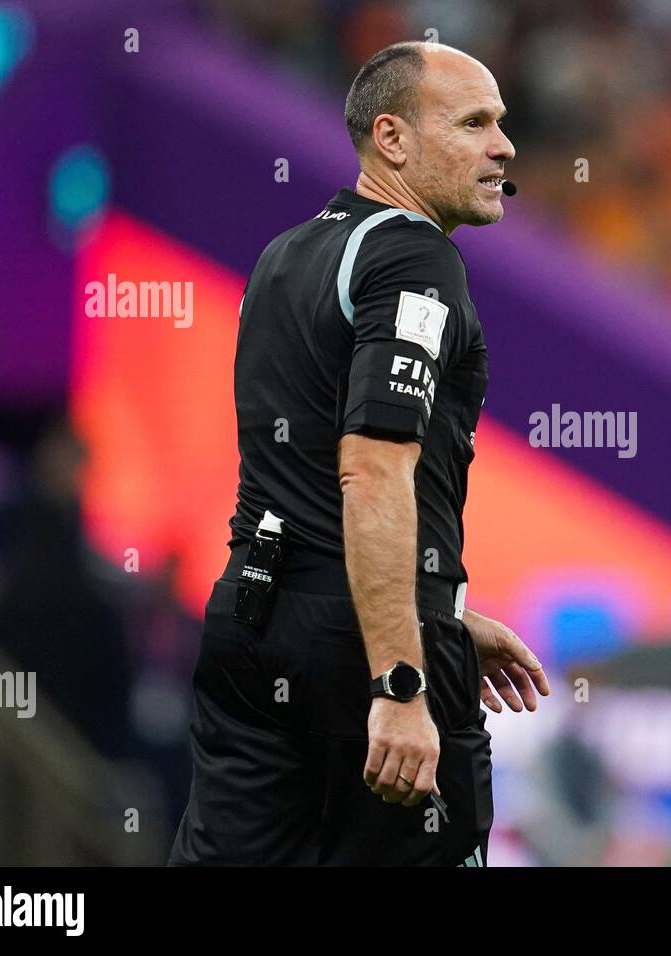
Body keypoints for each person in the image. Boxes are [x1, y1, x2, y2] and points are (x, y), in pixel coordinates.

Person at [169, 41, 549, 866]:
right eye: (475, 123)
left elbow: (295, 474)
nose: (504, 146)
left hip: (250, 623)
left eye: (503, 124)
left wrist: (436, 609)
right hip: (358, 655)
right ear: (393, 138)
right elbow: (372, 466)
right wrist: (402, 674)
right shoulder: (415, 256)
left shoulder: (283, 255)